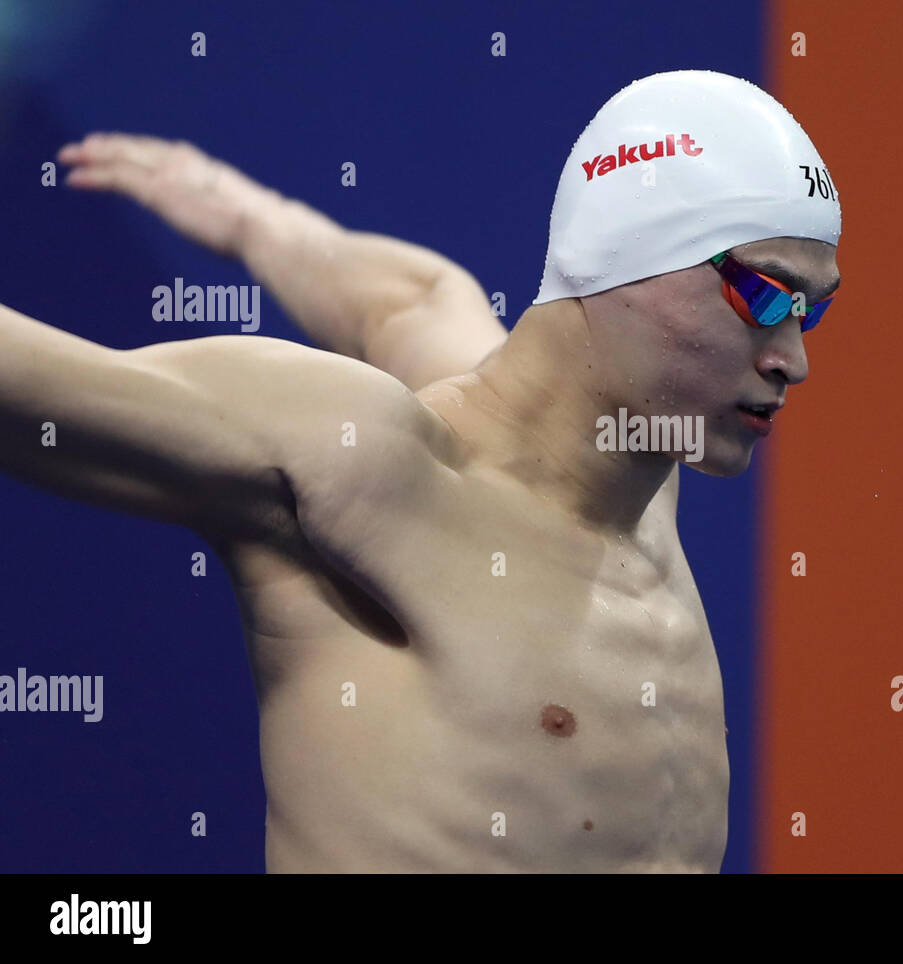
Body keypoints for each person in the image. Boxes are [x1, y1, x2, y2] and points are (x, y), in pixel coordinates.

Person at [1, 69, 841, 872]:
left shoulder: (648, 488)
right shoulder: (372, 467)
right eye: (767, 294)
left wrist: (254, 218)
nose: (794, 358)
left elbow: (411, 297)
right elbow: (40, 393)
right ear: (628, 262)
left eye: (814, 308)